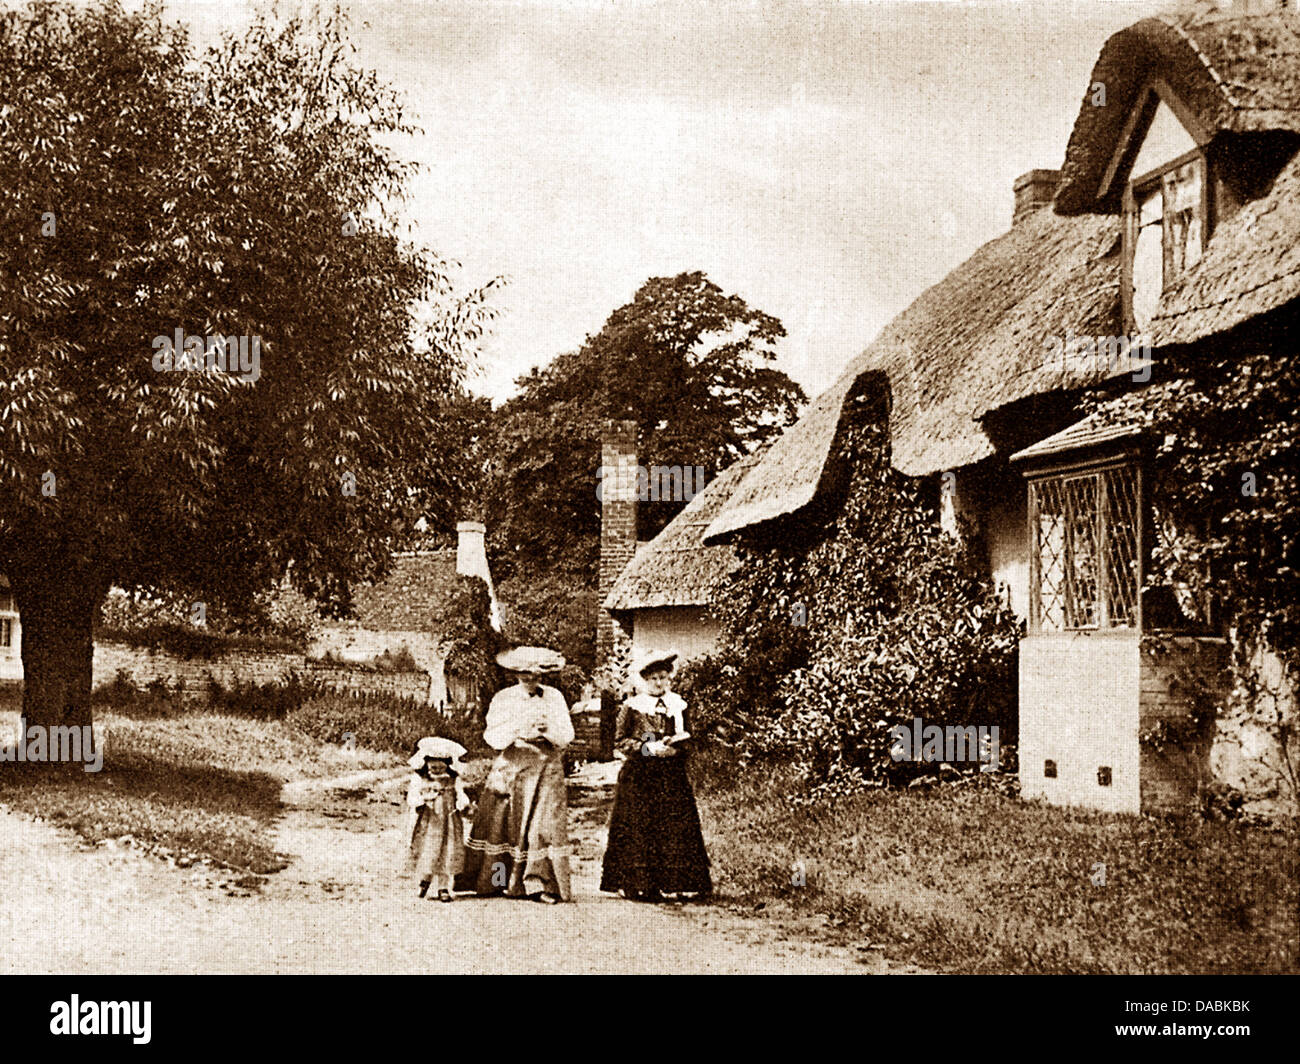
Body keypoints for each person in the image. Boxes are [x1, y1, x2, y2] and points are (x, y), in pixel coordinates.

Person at [458, 646, 574, 903]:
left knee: (544, 826)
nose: (530, 679)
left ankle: (540, 885)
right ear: (515, 673)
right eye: (524, 674)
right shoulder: (504, 698)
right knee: (503, 823)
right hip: (513, 764)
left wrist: (547, 731)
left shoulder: (554, 697)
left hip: (546, 767)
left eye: (535, 674)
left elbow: (567, 736)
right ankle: (498, 882)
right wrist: (518, 729)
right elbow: (492, 736)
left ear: (544, 674)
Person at [600, 649, 712, 902]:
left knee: (673, 826)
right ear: (644, 680)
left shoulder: (678, 704)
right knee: (640, 827)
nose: (659, 683)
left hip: (670, 776)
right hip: (639, 777)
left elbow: (690, 738)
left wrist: (676, 747)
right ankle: (638, 884)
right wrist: (645, 748)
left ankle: (677, 882)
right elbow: (619, 740)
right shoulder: (632, 707)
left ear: (669, 679)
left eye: (663, 677)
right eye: (653, 679)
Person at [405, 736, 470, 902]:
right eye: (432, 762)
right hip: (430, 821)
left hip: (449, 821)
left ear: (447, 763)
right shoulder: (420, 778)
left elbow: (460, 794)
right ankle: (425, 880)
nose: (436, 766)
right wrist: (423, 800)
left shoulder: (453, 779)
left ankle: (443, 887)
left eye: (441, 762)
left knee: (446, 851)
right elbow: (413, 795)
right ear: (425, 762)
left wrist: (462, 803)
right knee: (429, 849)